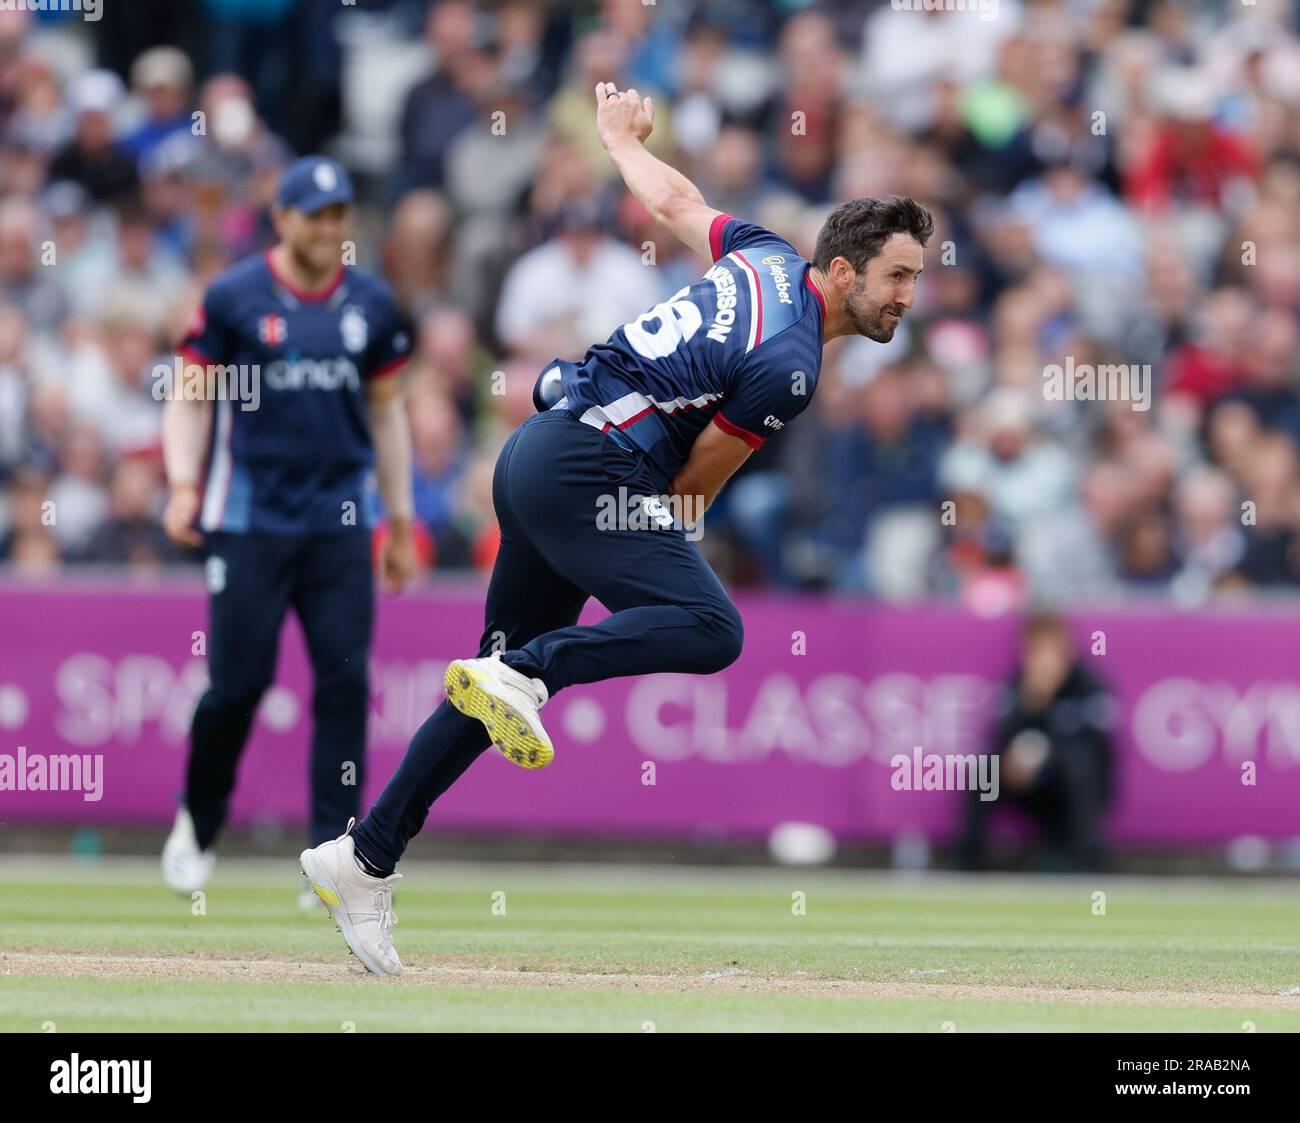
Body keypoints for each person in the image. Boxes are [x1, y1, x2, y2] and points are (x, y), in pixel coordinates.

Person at [300, 85, 933, 975]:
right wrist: (637, 548)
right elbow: (688, 487)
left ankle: (362, 858)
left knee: (482, 694)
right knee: (711, 627)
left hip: (539, 454)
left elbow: (673, 201)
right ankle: (533, 669)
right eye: (899, 275)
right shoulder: (791, 363)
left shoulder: (761, 251)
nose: (910, 295)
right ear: (841, 272)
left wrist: (617, 141)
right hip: (587, 471)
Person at [159, 156, 417, 901]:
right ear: (282, 218)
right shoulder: (236, 296)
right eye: (315, 215)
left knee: (343, 684)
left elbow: (387, 411)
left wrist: (398, 522)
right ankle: (198, 824)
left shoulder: (370, 302)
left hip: (340, 521)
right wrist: (182, 484)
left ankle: (333, 856)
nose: (330, 228)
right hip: (250, 519)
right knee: (237, 686)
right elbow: (190, 393)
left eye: (339, 215)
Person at [957, 612, 1116, 873]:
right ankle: (968, 865)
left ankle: (1088, 865)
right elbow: (1000, 736)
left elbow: (1099, 746)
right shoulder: (1017, 683)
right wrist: (1032, 702)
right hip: (1027, 786)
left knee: (1077, 765)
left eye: (1052, 650)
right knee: (984, 770)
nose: (1045, 661)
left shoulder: (1088, 684)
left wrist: (1046, 752)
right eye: (1037, 651)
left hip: (1075, 789)